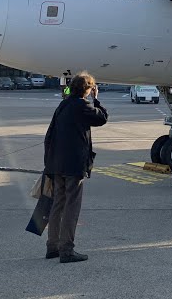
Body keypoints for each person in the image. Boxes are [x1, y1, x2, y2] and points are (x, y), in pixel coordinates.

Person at [41, 71, 109, 263]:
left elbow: (49, 134)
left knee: (57, 204)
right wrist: (97, 100)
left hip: (56, 164)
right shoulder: (83, 106)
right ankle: (67, 250)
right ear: (87, 89)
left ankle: (52, 246)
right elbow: (102, 118)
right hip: (73, 165)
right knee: (72, 206)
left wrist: (48, 164)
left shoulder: (62, 105)